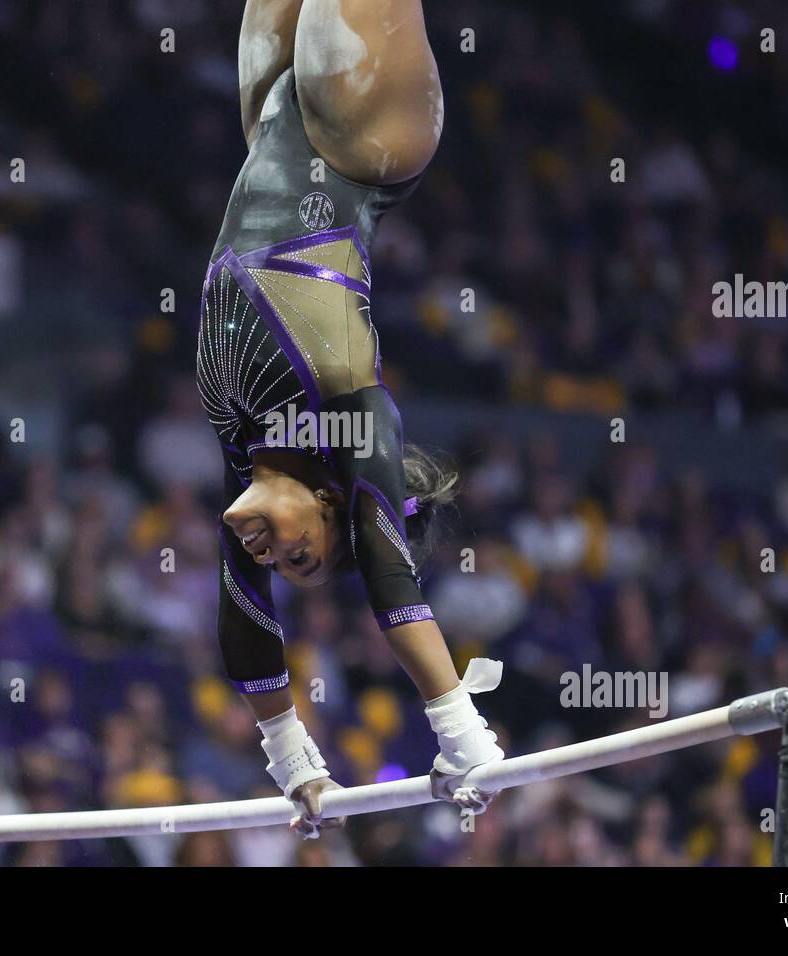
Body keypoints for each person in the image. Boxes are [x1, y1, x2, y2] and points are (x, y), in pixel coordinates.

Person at [197, 0, 503, 838]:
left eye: (279, 562)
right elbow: (387, 576)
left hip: (277, 127)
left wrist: (292, 761)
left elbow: (246, 624)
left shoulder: (246, 452)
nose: (269, 553)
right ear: (333, 501)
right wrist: (459, 728)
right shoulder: (352, 417)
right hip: (367, 146)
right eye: (302, 553)